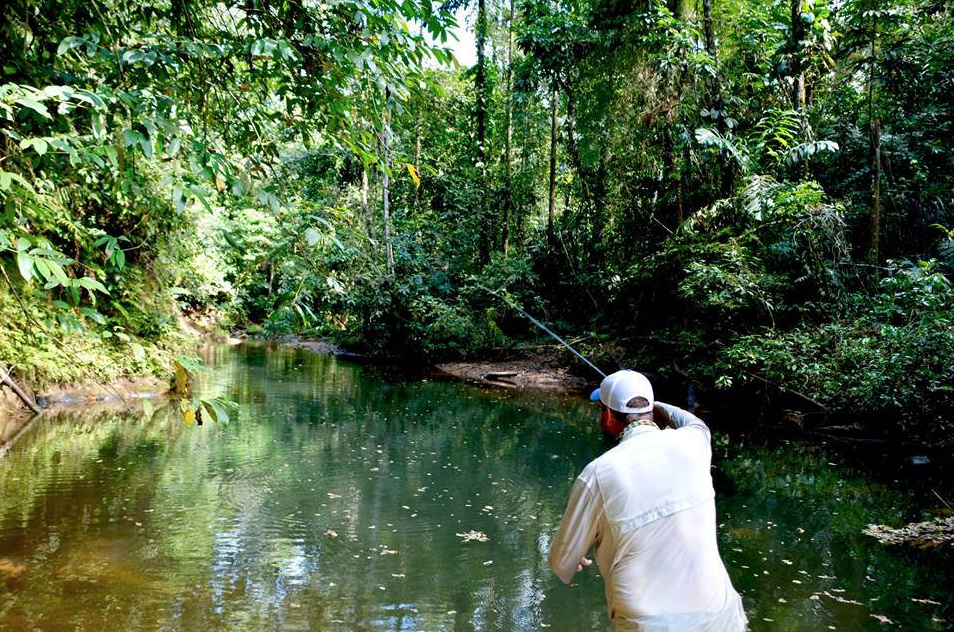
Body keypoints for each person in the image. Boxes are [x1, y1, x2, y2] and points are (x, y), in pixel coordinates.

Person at [548, 370, 747, 632]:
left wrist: (577, 553)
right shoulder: (695, 442)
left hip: (648, 625)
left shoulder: (599, 473)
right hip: (721, 619)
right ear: (652, 410)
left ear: (608, 416)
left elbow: (562, 562)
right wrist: (656, 405)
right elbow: (693, 421)